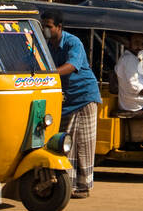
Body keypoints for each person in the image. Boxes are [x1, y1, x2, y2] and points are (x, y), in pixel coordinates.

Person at [41, 11, 102, 199]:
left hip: (84, 96)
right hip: (64, 99)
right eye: (44, 26)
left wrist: (49, 74)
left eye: (49, 26)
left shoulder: (73, 42)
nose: (46, 30)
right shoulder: (46, 45)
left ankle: (82, 186)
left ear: (59, 27)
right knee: (61, 140)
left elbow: (72, 66)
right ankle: (65, 182)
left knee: (82, 142)